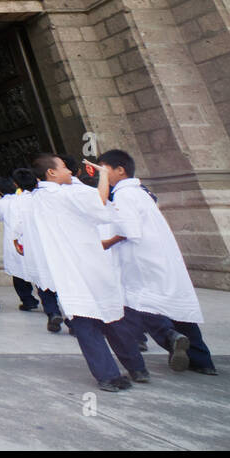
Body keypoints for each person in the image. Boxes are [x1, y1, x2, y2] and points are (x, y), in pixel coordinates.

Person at [27, 153, 147, 391]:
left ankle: (111, 374)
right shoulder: (59, 195)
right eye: (64, 167)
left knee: (87, 320)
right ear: (51, 173)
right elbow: (100, 205)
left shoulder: (38, 198)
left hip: (70, 268)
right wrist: (103, 175)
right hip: (86, 264)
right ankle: (132, 369)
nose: (70, 171)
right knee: (110, 317)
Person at [97, 149, 217, 375]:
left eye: (105, 171)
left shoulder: (123, 195)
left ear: (120, 170)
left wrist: (105, 244)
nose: (104, 177)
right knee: (177, 308)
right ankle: (203, 361)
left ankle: (169, 339)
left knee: (141, 306)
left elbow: (128, 230)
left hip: (142, 261)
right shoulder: (142, 192)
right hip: (163, 257)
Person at [10, 167, 63, 331]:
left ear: (16, 184)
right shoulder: (51, 196)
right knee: (62, 280)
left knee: (42, 281)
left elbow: (16, 226)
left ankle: (53, 312)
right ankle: (73, 318)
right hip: (57, 245)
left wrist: (16, 242)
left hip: (35, 246)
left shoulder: (18, 201)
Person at [0, 174, 37, 311]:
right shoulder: (26, 199)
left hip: (13, 240)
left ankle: (28, 300)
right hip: (29, 239)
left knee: (18, 273)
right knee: (36, 269)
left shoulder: (0, 203)